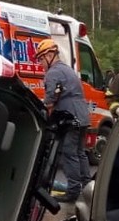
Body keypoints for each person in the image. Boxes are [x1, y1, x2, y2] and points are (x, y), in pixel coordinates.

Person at [38, 38, 91, 208]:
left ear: (49, 55)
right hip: (81, 115)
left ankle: (74, 191)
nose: (40, 63)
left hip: (69, 117)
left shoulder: (53, 73)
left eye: (41, 59)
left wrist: (42, 105)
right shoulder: (67, 70)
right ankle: (88, 186)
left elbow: (50, 100)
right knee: (80, 152)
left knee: (69, 153)